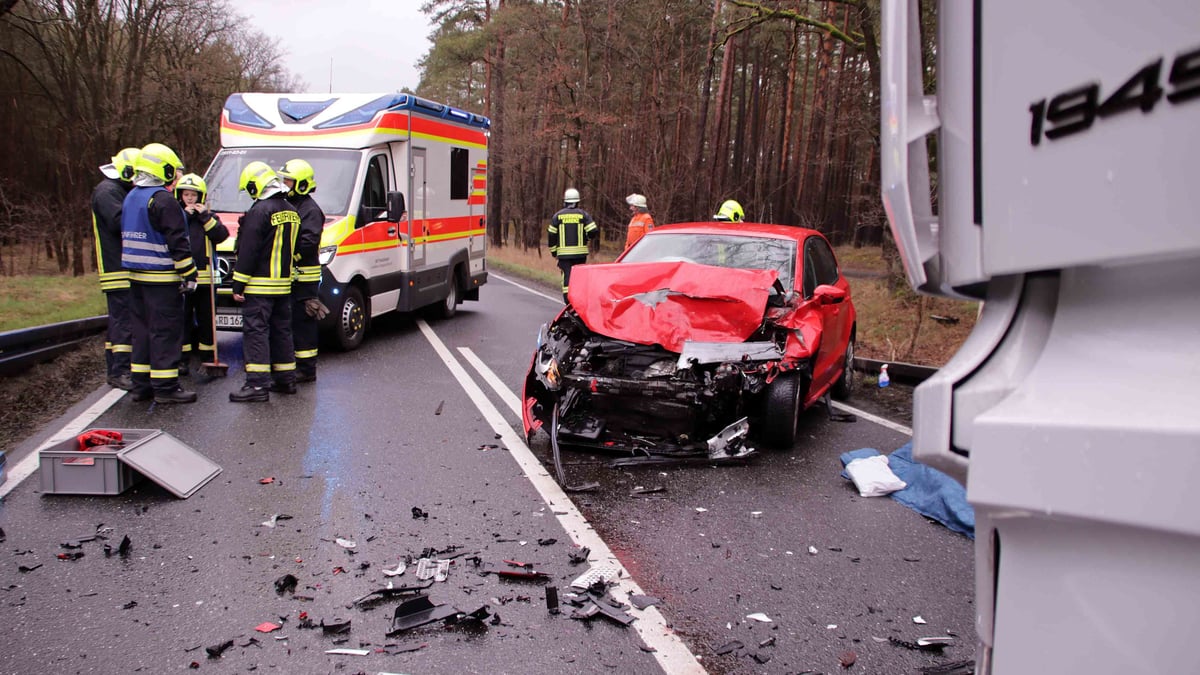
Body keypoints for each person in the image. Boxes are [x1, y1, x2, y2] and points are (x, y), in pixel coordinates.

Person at [120, 142, 198, 404]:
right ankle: (166, 388)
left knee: (141, 332)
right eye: (174, 172)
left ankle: (141, 386)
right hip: (162, 279)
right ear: (163, 169)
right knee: (165, 332)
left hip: (136, 278)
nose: (176, 177)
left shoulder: (132, 196)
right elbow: (178, 241)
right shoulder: (163, 199)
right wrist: (189, 275)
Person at [229, 161, 301, 402]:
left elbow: (248, 252)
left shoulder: (259, 211)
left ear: (255, 185)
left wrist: (238, 284)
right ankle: (286, 379)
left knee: (256, 332)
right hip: (283, 285)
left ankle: (257, 386)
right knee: (282, 331)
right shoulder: (291, 210)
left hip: (259, 285)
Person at [92, 147, 140, 390]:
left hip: (124, 267)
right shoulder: (107, 192)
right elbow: (120, 223)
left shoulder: (117, 190)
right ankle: (119, 371)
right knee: (123, 321)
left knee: (122, 320)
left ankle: (119, 368)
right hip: (116, 268)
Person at [277, 159, 327, 383]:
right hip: (293, 277)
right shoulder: (291, 206)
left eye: (288, 181)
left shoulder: (310, 210)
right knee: (291, 322)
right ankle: (296, 364)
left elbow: (308, 243)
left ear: (302, 184)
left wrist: (289, 257)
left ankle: (307, 369)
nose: (285, 184)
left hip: (305, 280)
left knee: (303, 323)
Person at [175, 173, 229, 371]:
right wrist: (186, 216)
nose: (190, 199)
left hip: (207, 279)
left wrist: (204, 217)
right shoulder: (177, 217)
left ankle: (208, 356)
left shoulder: (209, 216)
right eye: (186, 195)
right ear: (180, 196)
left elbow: (221, 235)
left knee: (207, 320)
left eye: (194, 195)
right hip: (184, 277)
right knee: (183, 319)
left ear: (201, 196)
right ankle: (182, 359)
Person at [548, 187, 598, 303]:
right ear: (577, 201)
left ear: (565, 201)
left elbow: (551, 235)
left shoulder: (558, 216)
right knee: (578, 278)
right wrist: (586, 238)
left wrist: (554, 251)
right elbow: (593, 231)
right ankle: (579, 302)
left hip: (564, 255)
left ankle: (568, 303)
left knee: (567, 278)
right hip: (580, 254)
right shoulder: (583, 215)